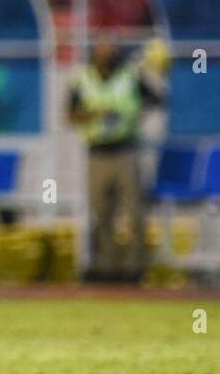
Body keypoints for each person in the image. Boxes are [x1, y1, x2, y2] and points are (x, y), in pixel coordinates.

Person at [68, 42, 163, 282]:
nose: (105, 55)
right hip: (97, 152)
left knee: (133, 212)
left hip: (125, 151)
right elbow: (70, 114)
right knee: (101, 213)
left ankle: (135, 267)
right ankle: (106, 267)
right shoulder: (83, 78)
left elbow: (157, 98)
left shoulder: (130, 75)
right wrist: (96, 114)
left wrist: (138, 110)